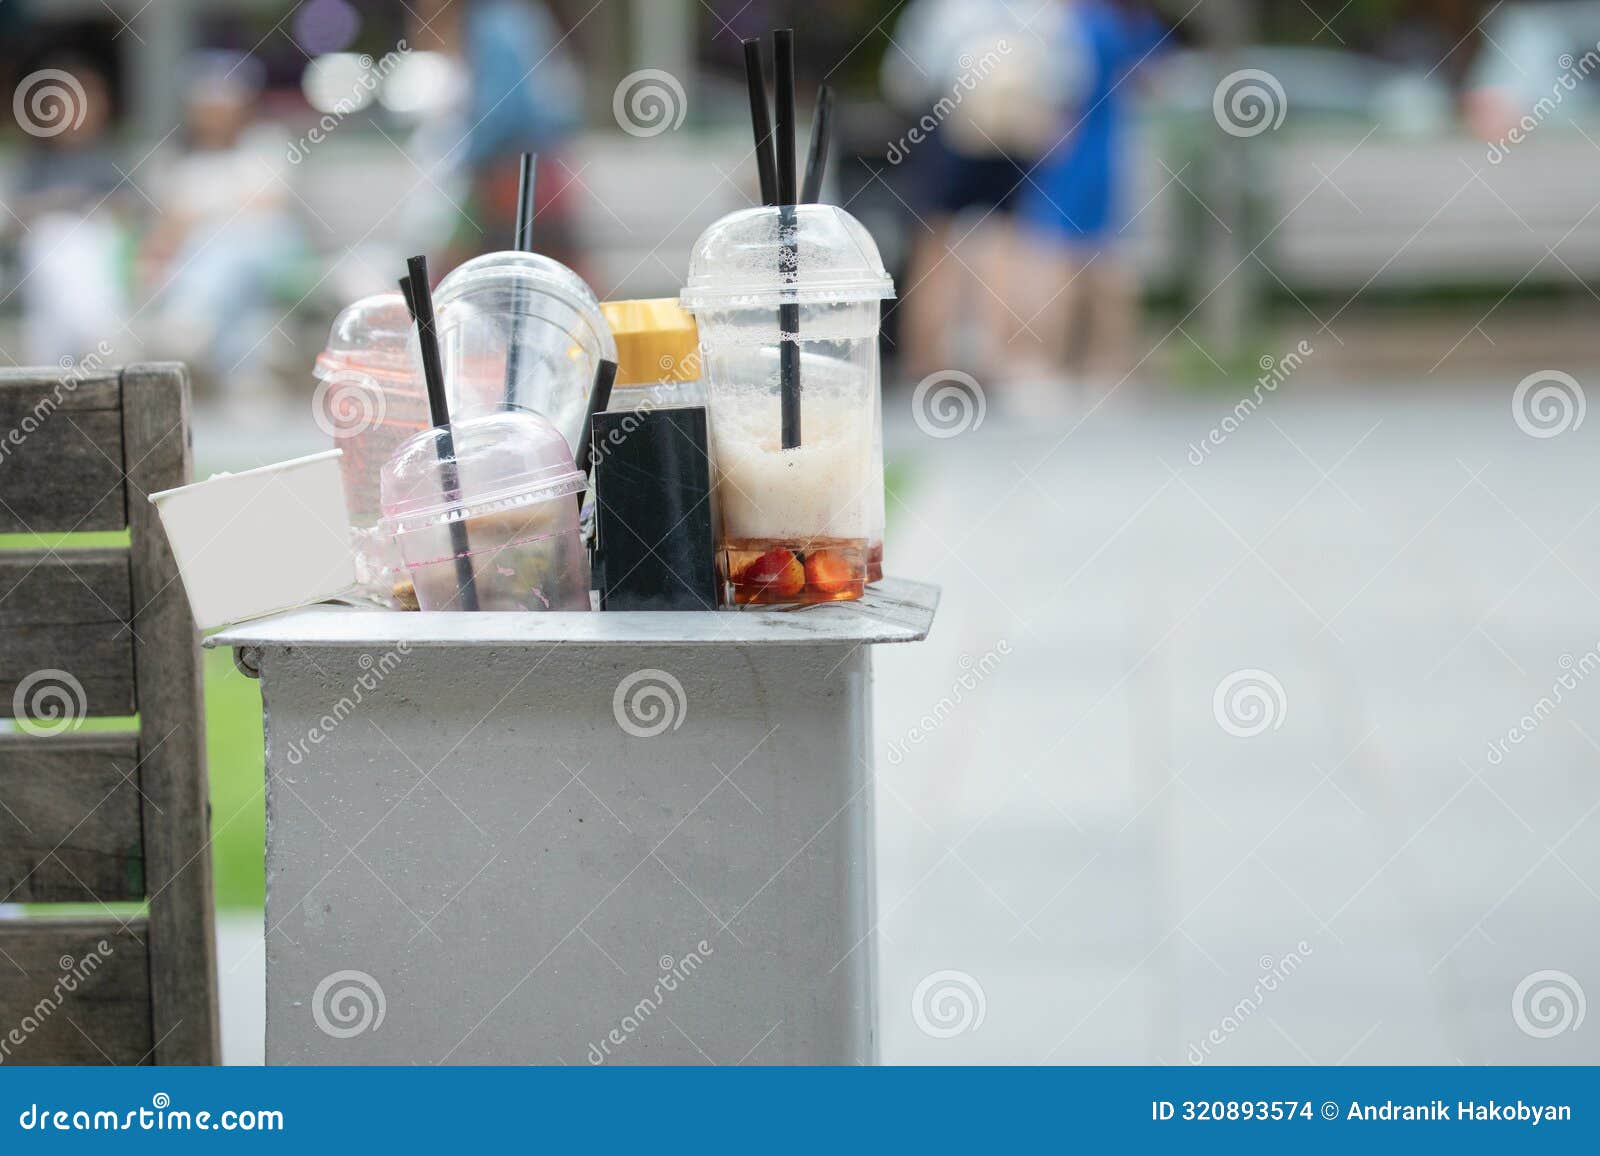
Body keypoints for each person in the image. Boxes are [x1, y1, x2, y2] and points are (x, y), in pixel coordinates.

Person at [882, 0, 1081, 385]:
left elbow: (907, 76)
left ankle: (925, 362)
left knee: (934, 242)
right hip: (1016, 131)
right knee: (1006, 239)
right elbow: (1067, 75)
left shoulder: (945, 9)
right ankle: (999, 360)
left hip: (951, 126)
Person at [1015, 0, 1167, 409]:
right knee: (1106, 261)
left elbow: (1054, 91)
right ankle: (1107, 370)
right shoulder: (1127, 20)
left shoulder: (1077, 21)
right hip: (1109, 152)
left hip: (1066, 154)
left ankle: (1045, 368)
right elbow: (1155, 77)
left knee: (1054, 261)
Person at [139, 53, 305, 396]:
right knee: (224, 271)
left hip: (268, 252)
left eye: (223, 102)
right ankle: (246, 378)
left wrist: (199, 215)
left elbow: (265, 206)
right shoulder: (176, 159)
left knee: (228, 252)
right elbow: (165, 230)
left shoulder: (266, 143)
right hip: (201, 261)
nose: (214, 113)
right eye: (206, 104)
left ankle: (189, 323)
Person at [5, 58, 130, 366]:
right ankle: (90, 337)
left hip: (100, 253)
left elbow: (134, 212)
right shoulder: (33, 164)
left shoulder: (112, 159)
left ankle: (82, 338)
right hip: (45, 258)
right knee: (55, 239)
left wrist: (87, 207)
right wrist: (56, 204)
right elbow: (12, 224)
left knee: (77, 243)